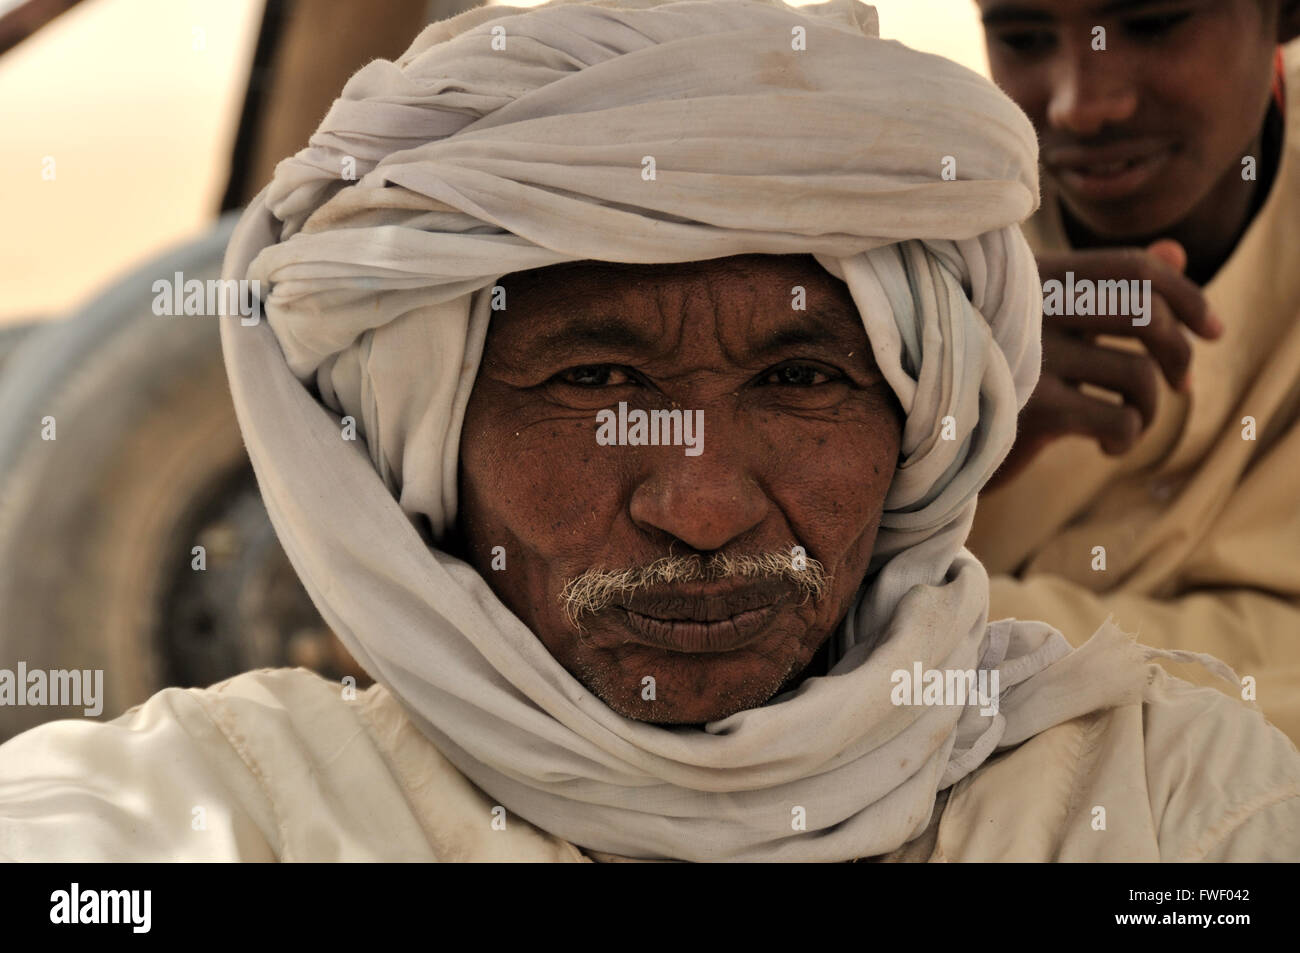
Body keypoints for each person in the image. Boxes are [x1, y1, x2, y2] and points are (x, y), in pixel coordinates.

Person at [1, 0, 1297, 862]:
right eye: (597, 382)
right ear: (417, 441)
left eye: (801, 382)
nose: (704, 506)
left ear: (923, 432)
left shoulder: (1160, 800)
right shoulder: (224, 811)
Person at [969, 0, 1300, 741]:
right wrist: (951, 442)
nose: (1080, 104)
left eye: (1155, 22)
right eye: (1022, 38)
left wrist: (971, 629)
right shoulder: (910, 221)